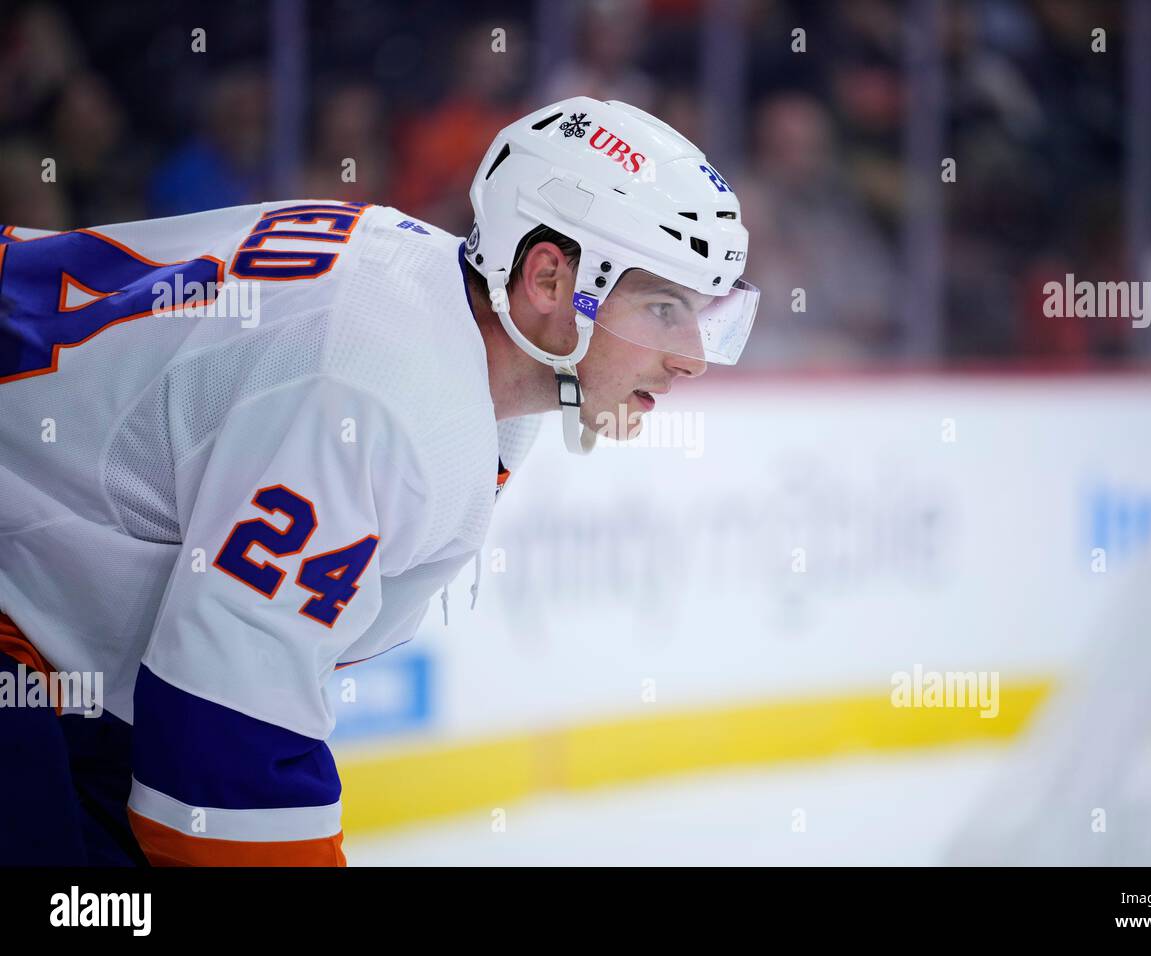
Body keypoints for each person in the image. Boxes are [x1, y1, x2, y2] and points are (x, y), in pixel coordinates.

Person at [0, 96, 758, 865]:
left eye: (702, 315)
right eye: (664, 308)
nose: (692, 356)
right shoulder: (382, 390)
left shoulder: (441, 320)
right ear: (549, 278)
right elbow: (223, 722)